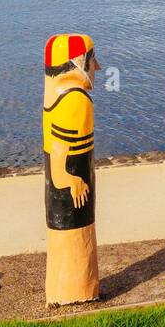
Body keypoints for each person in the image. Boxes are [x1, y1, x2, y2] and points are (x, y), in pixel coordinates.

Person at [43, 33, 101, 305]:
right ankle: (76, 292)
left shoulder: (55, 95)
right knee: (76, 248)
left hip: (60, 199)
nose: (97, 68)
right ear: (78, 63)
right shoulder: (75, 101)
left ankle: (65, 289)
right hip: (71, 192)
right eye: (92, 60)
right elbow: (58, 161)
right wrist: (72, 180)